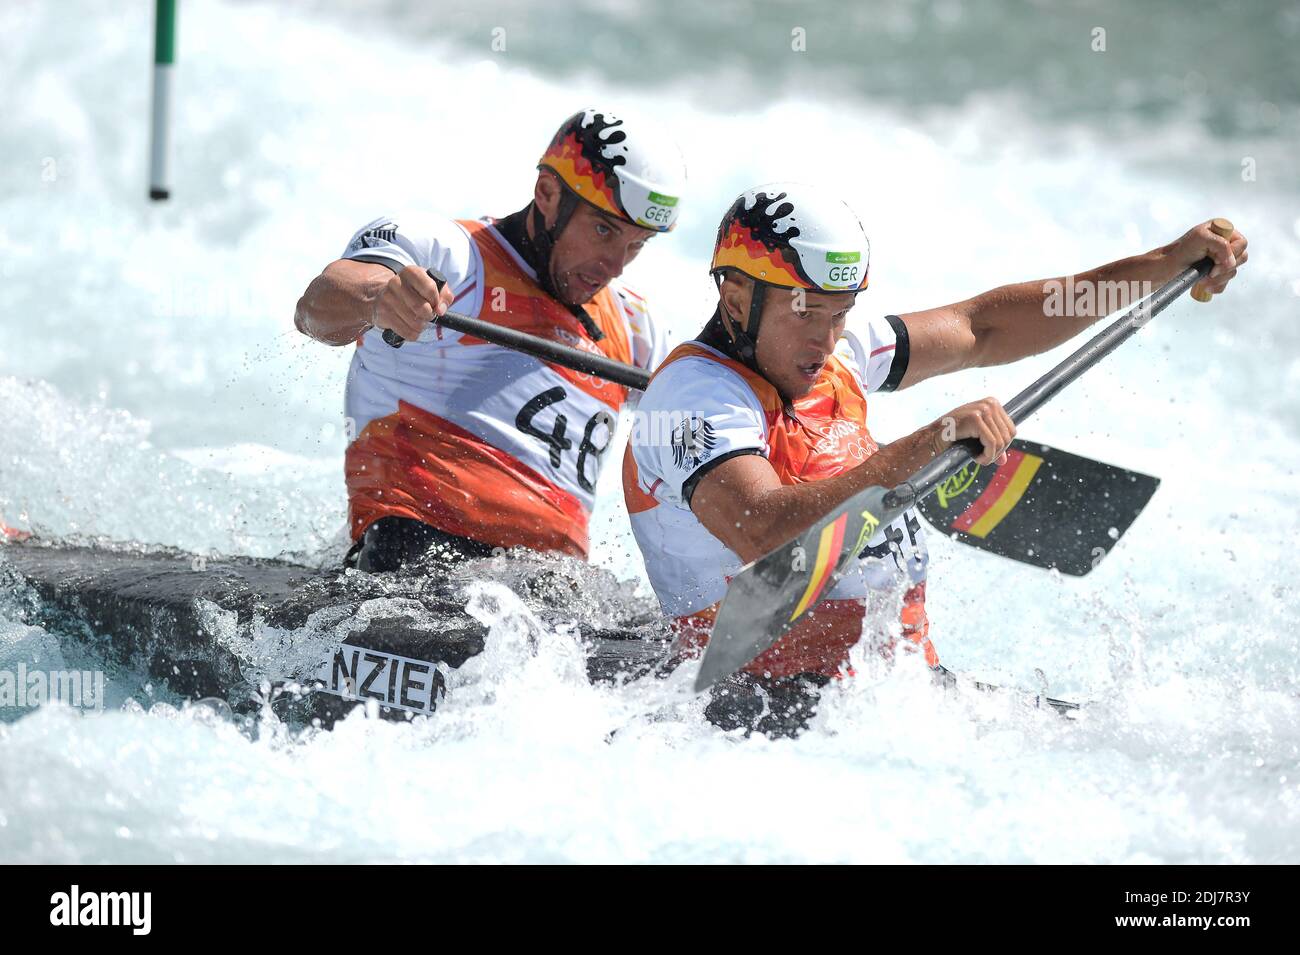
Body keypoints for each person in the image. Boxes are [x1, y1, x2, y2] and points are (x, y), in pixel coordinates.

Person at [624, 182, 1247, 732]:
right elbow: (761, 529)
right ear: (736, 299)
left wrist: (1159, 267)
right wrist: (926, 445)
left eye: (840, 316)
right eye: (806, 314)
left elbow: (984, 326)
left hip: (890, 690)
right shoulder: (695, 399)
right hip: (760, 703)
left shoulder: (833, 359)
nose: (825, 339)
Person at [294, 108, 686, 571]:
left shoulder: (637, 329)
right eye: (604, 231)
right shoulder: (453, 256)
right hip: (414, 554)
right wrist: (381, 300)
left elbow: (711, 415)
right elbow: (315, 310)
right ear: (548, 193)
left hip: (554, 591)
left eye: (636, 245)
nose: (615, 265)